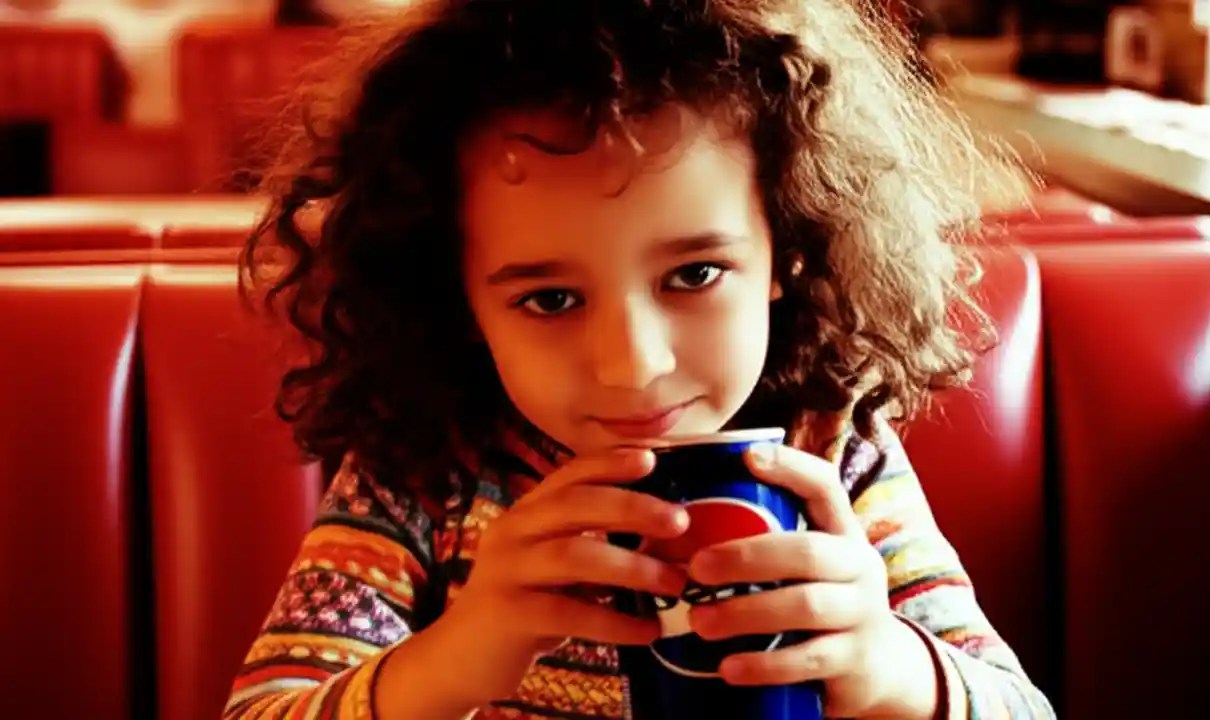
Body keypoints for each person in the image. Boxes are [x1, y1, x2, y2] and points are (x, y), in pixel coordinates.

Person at [226, 0, 1050, 718]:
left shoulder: (834, 461)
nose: (633, 365)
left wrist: (886, 665)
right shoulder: (421, 477)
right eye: (549, 299)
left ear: (786, 254)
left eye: (694, 275)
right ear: (458, 301)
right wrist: (458, 655)